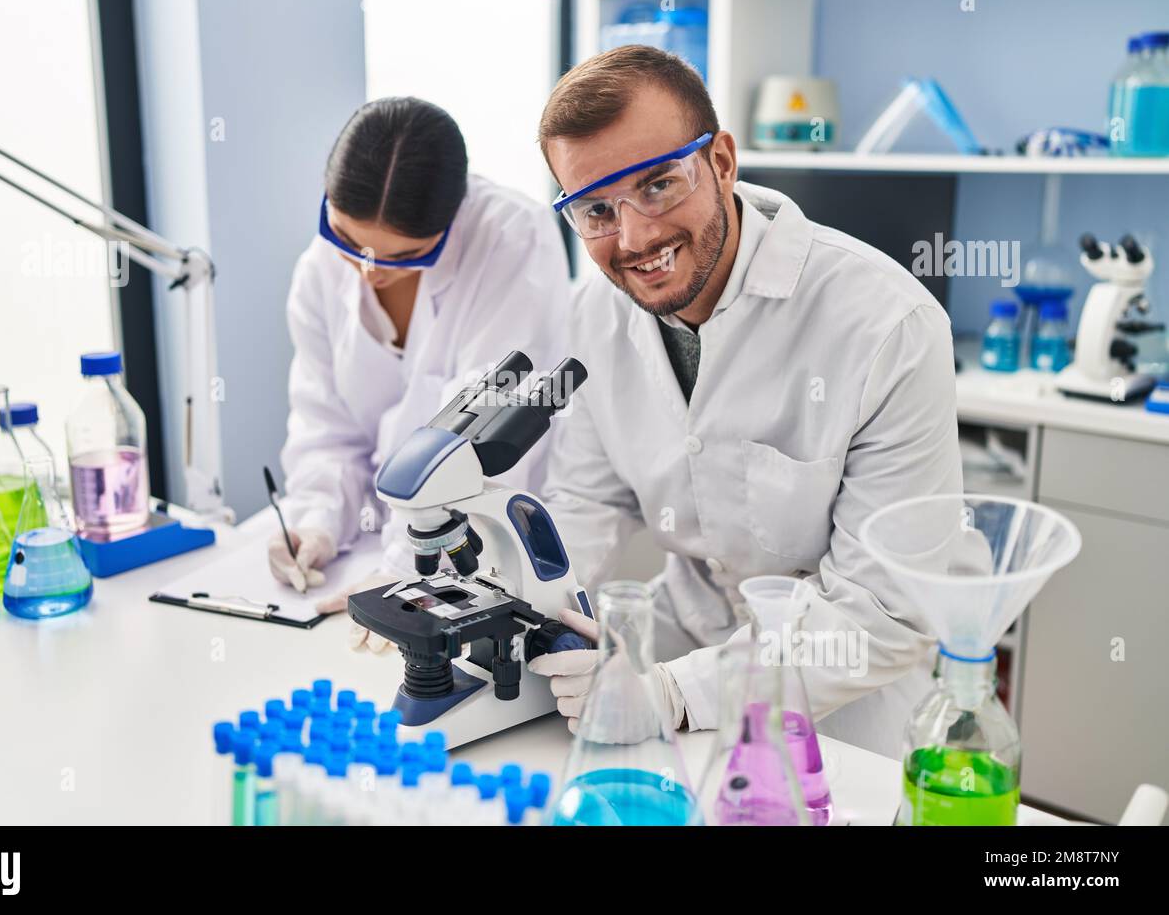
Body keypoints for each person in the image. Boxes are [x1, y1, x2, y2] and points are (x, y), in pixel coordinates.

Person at [527, 46, 961, 758]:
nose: (634, 238)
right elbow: (586, 503)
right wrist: (494, 607)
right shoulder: (594, 317)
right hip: (673, 657)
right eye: (596, 210)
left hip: (843, 715)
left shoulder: (888, 325)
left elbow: (882, 615)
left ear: (722, 162)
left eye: (660, 184)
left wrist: (674, 695)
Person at [269, 97, 571, 646]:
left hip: (490, 555)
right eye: (345, 239)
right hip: (361, 562)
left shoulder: (512, 239)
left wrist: (410, 575)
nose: (367, 271)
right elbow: (327, 433)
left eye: (402, 256)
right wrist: (316, 521)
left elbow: (481, 445)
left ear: (451, 223)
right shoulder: (317, 271)